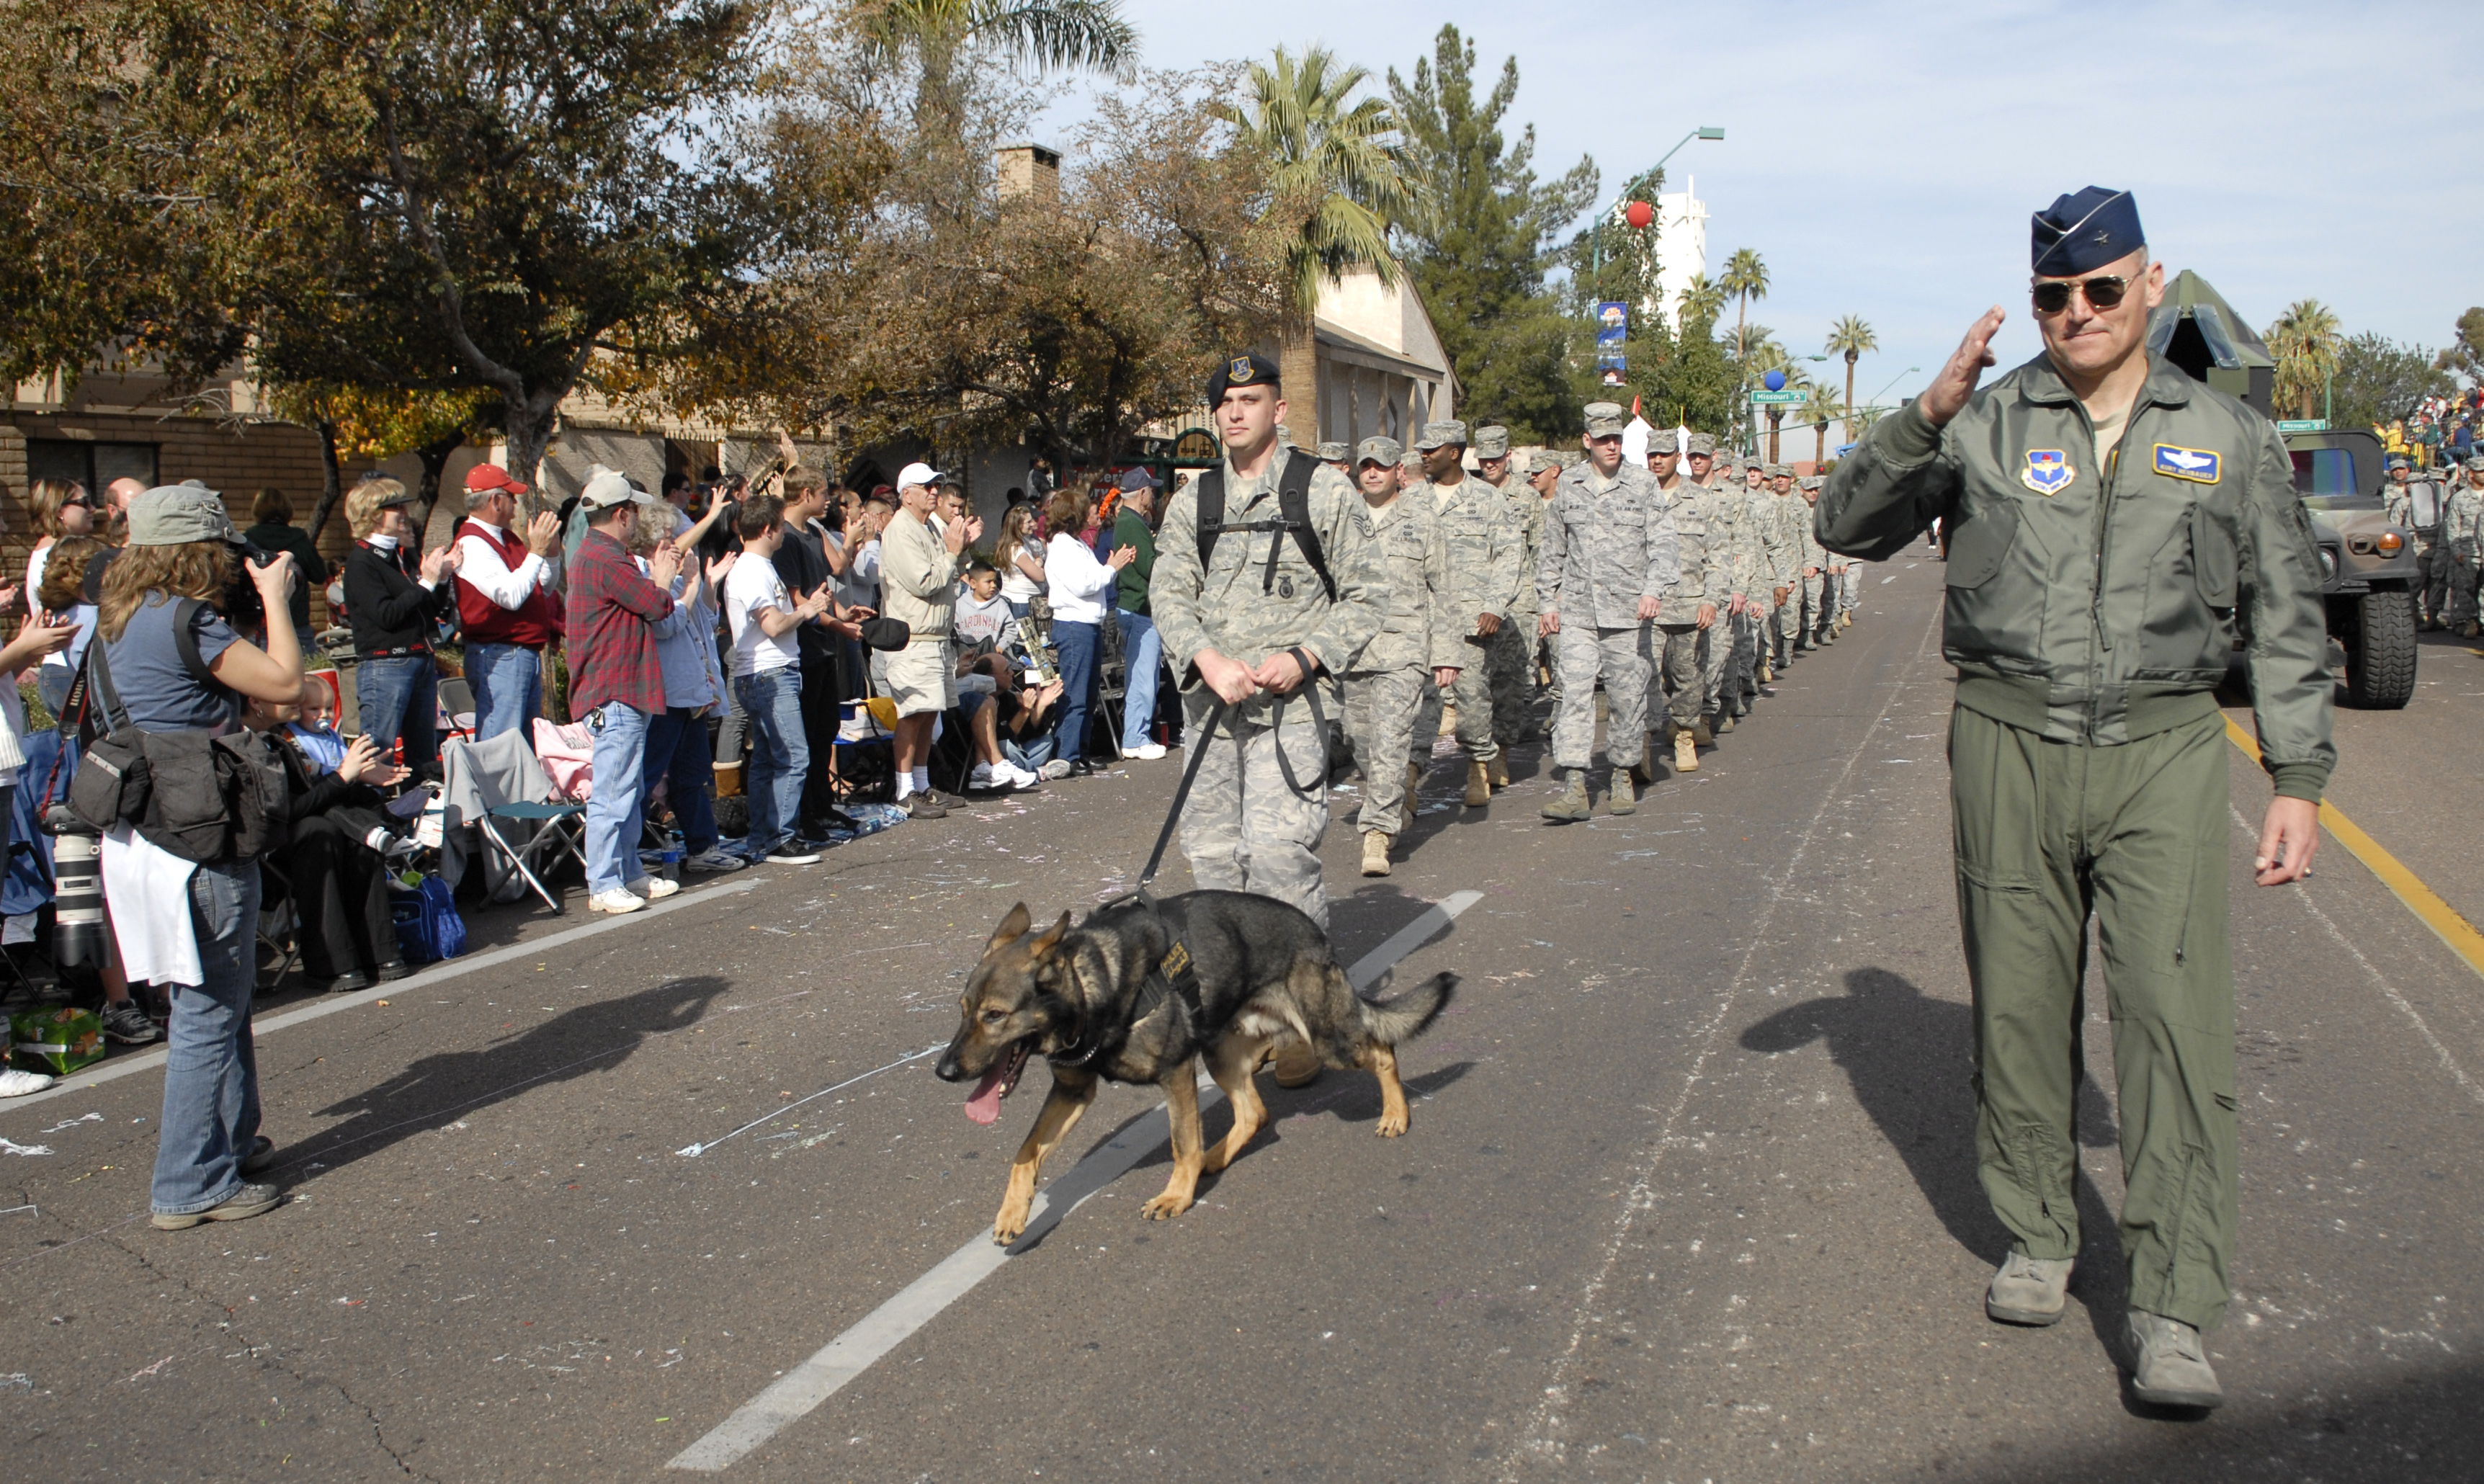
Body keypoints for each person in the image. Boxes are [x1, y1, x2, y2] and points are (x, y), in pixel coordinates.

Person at [1816, 186, 2333, 1409]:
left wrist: (2296, 776)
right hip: (2007, 740)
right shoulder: (1983, 426)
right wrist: (1922, 414)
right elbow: (1846, 529)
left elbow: (2285, 616)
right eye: (2053, 294)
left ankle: (2170, 1305)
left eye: (2101, 289)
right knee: (2017, 1012)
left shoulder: (2226, 436)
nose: (2076, 312)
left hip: (2162, 746)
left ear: (2151, 285)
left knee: (2169, 1026)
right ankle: (2039, 1231)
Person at [98, 484, 308, 1229]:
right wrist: (276, 598)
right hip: (202, 829)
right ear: (200, 550)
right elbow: (284, 687)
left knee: (219, 995)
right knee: (208, 1008)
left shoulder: (121, 619)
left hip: (148, 826)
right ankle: (190, 1179)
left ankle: (233, 1136)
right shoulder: (187, 617)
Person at [1150, 350, 1382, 947]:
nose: (1234, 413)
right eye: (1224, 403)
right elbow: (1169, 595)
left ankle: (1300, 993)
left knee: (1279, 856)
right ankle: (1238, 997)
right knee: (1214, 859)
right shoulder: (1193, 502)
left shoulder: (1322, 490)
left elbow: (1368, 596)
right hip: (1212, 712)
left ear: (1278, 409)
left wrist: (1305, 657)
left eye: (1248, 401)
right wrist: (1206, 658)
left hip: (1291, 712)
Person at [1536, 402, 1676, 822]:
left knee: (1625, 698)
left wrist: (1654, 590)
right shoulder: (1571, 485)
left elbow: (1664, 544)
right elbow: (1552, 550)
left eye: (1616, 438)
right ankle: (1575, 786)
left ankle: (1621, 773)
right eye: (1603, 440)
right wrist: (1547, 601)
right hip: (1578, 612)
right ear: (1587, 442)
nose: (1612, 446)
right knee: (1575, 698)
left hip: (1628, 615)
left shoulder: (1642, 484)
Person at [561, 470, 686, 913]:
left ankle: (627, 870)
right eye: (634, 511)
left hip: (623, 686)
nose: (637, 518)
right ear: (621, 515)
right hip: (614, 689)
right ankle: (603, 881)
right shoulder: (603, 558)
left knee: (629, 787)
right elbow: (653, 604)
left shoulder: (597, 555)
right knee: (614, 789)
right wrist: (664, 576)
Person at [246, 685, 413, 993]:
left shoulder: (293, 737)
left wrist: (358, 775)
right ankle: (333, 961)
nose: (296, 699)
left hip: (311, 830)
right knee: (319, 831)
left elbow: (321, 790)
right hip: (265, 845)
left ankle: (381, 952)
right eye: (287, 693)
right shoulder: (264, 740)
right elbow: (286, 809)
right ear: (255, 702)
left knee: (357, 837)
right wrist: (342, 777)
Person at [1338, 437, 1452, 877]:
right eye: (1365, 466)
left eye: (1381, 467)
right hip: (1353, 650)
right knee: (1360, 743)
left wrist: (1446, 654)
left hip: (1404, 651)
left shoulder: (1421, 521)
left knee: (1390, 743)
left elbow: (1444, 591)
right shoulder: (1343, 520)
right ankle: (1395, 799)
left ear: (1397, 473)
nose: (1372, 473)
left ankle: (1377, 834)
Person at [1399, 421, 1517, 811]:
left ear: (1454, 452)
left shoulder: (1487, 499)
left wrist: (1495, 605)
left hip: (1469, 622)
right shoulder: (1412, 501)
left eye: (1433, 449)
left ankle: (1478, 763)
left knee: (1472, 703)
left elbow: (1509, 555)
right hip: (1419, 622)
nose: (1424, 456)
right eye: (1422, 450)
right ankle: (1411, 777)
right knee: (1419, 704)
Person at [626, 494, 746, 876]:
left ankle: (702, 846)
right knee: (646, 778)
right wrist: (693, 585)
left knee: (692, 776)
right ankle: (631, 850)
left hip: (692, 691)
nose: (675, 543)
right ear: (648, 541)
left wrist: (705, 584)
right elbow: (665, 623)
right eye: (666, 536)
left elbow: (706, 623)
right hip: (663, 693)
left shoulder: (676, 576)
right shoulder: (643, 575)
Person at [723, 493, 829, 864]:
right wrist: (807, 610)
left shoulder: (760, 567)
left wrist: (806, 607)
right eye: (781, 527)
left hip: (770, 672)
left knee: (769, 758)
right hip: (767, 673)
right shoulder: (752, 570)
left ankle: (764, 836)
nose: (785, 533)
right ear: (768, 529)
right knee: (792, 755)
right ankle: (780, 837)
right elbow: (773, 625)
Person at [341, 476, 460, 777]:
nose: (405, 514)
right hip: (387, 663)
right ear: (373, 514)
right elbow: (387, 615)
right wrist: (426, 582)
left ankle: (415, 819)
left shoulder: (399, 557)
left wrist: (441, 579)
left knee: (423, 756)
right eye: (396, 507)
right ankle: (372, 818)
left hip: (418, 659)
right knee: (377, 756)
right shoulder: (362, 561)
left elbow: (427, 609)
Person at [880, 460, 980, 815]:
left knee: (928, 714)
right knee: (912, 713)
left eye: (935, 485)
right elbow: (925, 582)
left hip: (935, 637)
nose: (934, 491)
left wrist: (962, 546)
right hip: (913, 637)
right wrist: (953, 551)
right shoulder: (900, 531)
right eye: (926, 486)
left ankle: (922, 785)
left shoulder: (927, 528)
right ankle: (905, 789)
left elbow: (950, 572)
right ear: (906, 495)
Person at [452, 464, 564, 741]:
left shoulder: (504, 537)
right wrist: (536, 552)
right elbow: (511, 596)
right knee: (501, 743)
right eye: (511, 497)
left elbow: (541, 588)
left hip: (517, 653)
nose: (516, 504)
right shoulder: (473, 543)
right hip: (499, 655)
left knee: (523, 744)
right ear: (495, 501)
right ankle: (494, 787)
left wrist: (549, 555)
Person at [1040, 485, 1135, 779]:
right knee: (1077, 692)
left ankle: (1082, 750)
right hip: (1073, 625)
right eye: (1087, 512)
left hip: (1087, 624)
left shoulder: (1076, 543)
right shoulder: (1062, 546)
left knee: (1090, 692)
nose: (1093, 516)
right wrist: (1111, 568)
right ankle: (1068, 754)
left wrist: (1106, 568)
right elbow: (1084, 584)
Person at [1640, 430, 1715, 775]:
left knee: (1688, 677)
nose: (1657, 461)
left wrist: (1713, 599)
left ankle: (1685, 733)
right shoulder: (1636, 497)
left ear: (1678, 457)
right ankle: (1642, 745)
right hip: (1647, 609)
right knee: (1644, 676)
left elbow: (1719, 555)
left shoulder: (1700, 500)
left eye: (1665, 455)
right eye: (1652, 454)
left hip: (1689, 605)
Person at [1471, 426, 1544, 748]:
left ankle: (1510, 735)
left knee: (1517, 671)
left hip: (1520, 597)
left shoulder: (1527, 496)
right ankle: (1483, 735)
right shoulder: (1470, 495)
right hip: (1480, 595)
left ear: (1508, 457)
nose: (1490, 465)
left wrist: (1544, 602)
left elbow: (1539, 550)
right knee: (1479, 673)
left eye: (1496, 459)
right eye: (1484, 459)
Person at [25, 478, 100, 713]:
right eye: (84, 502)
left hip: (65, 666)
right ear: (60, 511)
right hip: (69, 668)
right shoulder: (53, 555)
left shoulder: (49, 551)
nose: (92, 509)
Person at [1107, 467, 1167, 760]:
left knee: (1141, 675)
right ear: (1142, 492)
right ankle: (1135, 737)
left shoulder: (1130, 521)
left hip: (1133, 606)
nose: (1153, 495)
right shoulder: (1132, 523)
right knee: (1143, 677)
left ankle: (1136, 734)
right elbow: (1150, 567)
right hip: (1139, 607)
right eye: (1151, 490)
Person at [241, 487, 330, 640]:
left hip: (258, 623)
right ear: (287, 510)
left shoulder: (247, 540)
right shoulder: (299, 539)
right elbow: (319, 575)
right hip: (295, 622)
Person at [996, 501, 1046, 620]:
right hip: (1020, 604)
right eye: (1028, 522)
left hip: (1025, 602)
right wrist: (1038, 563)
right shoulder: (1016, 550)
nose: (1033, 524)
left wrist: (1037, 563)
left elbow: (1038, 558)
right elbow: (1040, 576)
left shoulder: (1025, 542)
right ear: (1017, 525)